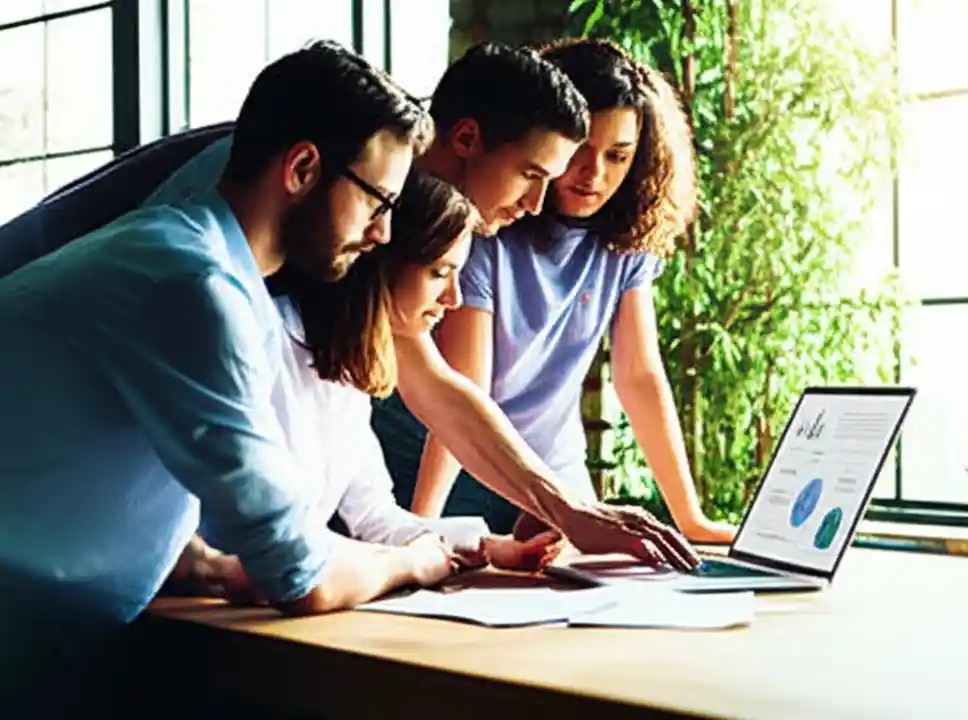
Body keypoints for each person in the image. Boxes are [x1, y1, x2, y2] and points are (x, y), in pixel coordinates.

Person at [0, 41, 697, 572]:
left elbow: (432, 386)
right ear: (465, 143)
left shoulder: (375, 223)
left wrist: (561, 512)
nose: (535, 206)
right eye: (530, 175)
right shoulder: (290, 205)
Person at [0, 41, 456, 707]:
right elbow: (301, 577)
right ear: (302, 168)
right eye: (375, 200)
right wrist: (415, 560)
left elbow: (88, 480)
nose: (384, 233)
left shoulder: (176, 253)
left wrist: (210, 566)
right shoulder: (194, 286)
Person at [167, 167, 565, 600]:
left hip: (272, 596)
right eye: (438, 272)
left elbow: (375, 518)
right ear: (383, 260)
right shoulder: (263, 340)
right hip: (201, 602)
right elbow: (263, 540)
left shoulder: (346, 372)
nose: (454, 298)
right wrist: (408, 564)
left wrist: (489, 548)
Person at [401, 38, 736, 543]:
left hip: (554, 472)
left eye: (618, 157)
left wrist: (689, 518)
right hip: (461, 470)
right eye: (578, 153)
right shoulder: (485, 223)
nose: (593, 175)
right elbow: (458, 391)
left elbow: (640, 376)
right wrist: (421, 525)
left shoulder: (623, 243)